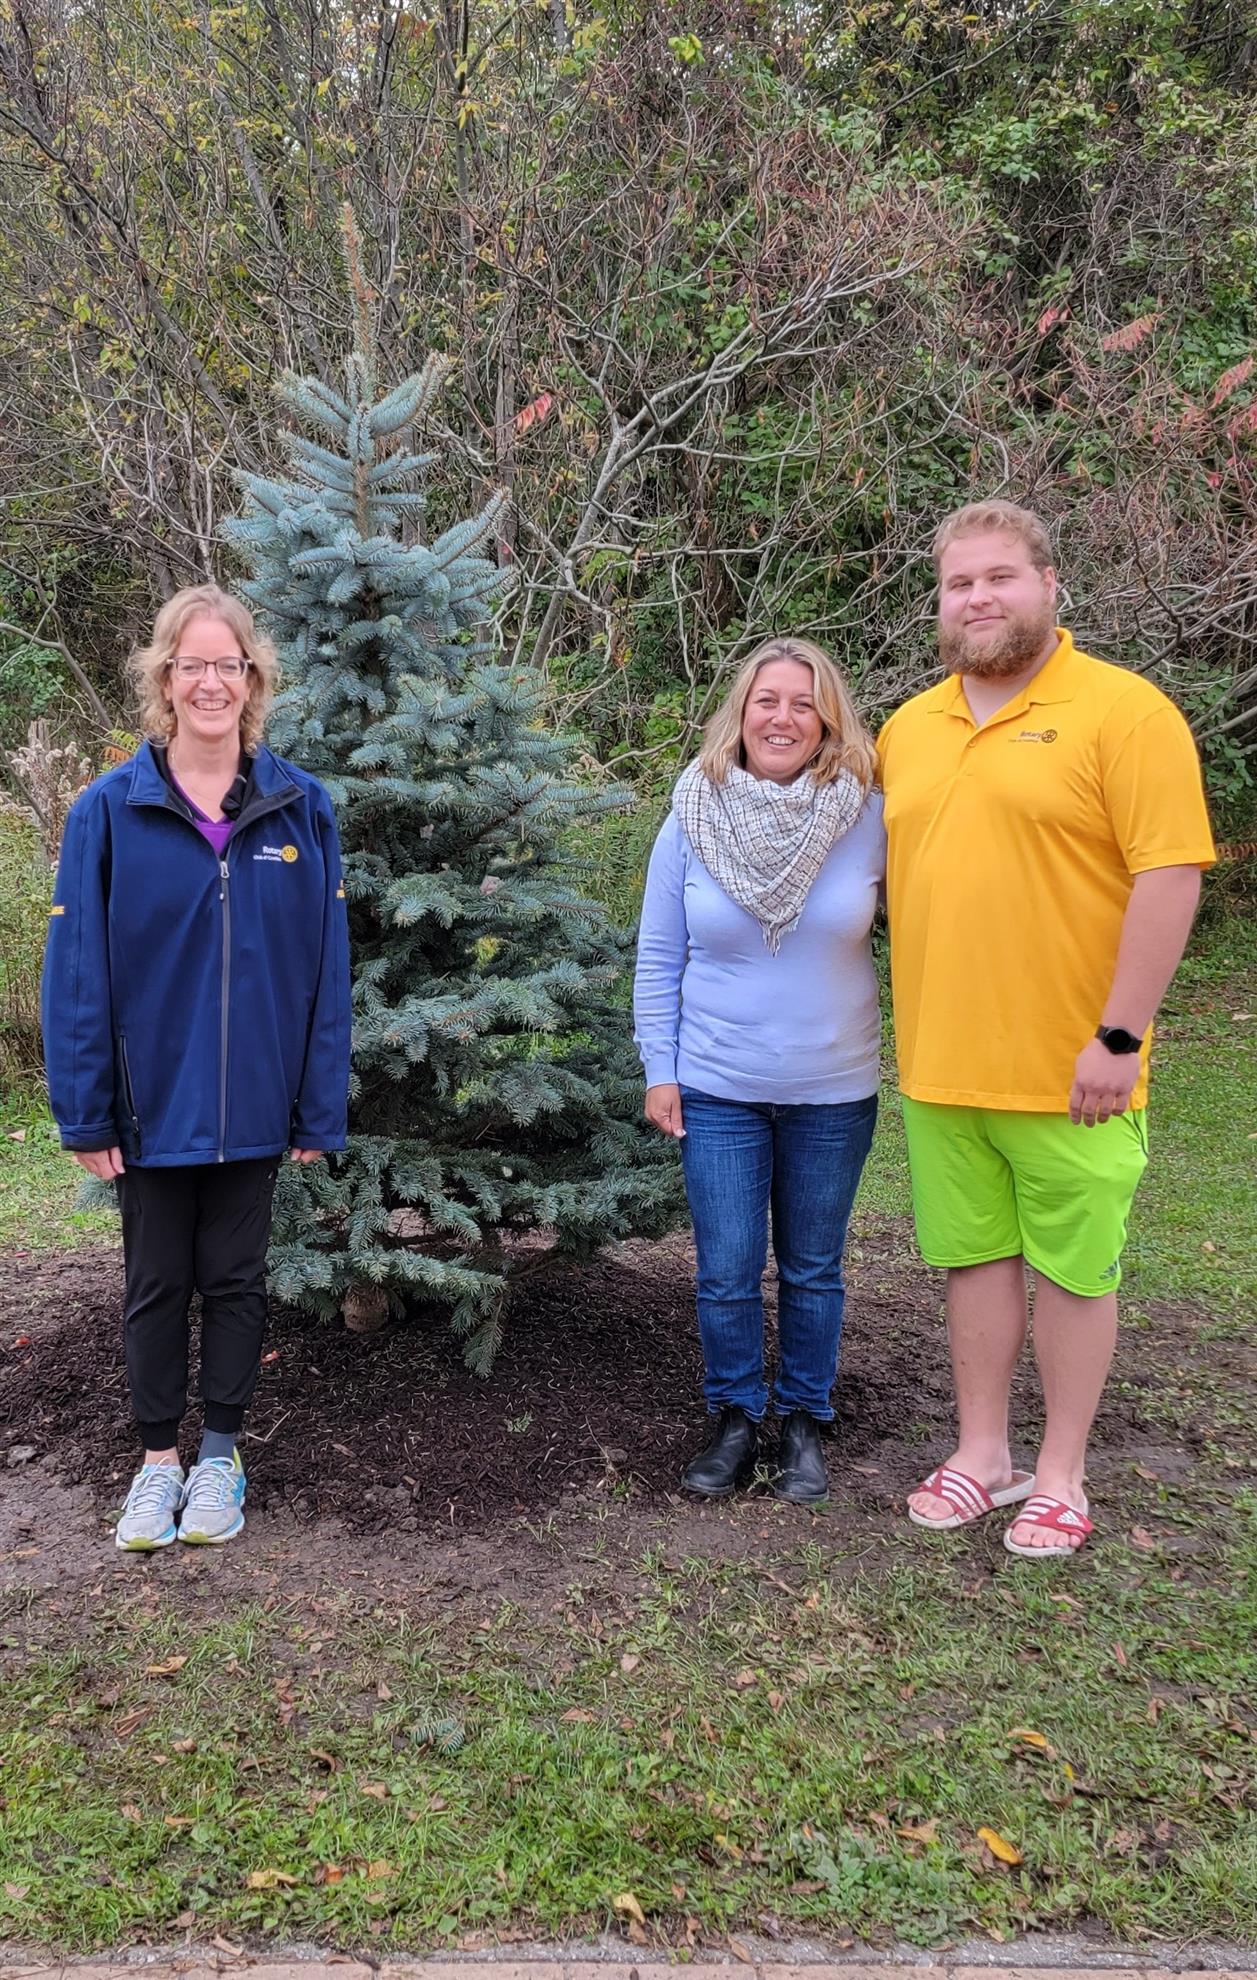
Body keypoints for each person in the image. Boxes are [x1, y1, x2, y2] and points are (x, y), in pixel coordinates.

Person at [878, 499, 1215, 1557]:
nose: (977, 598)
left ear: (1049, 585)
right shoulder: (907, 728)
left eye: (999, 577)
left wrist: (1120, 1037)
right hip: (940, 1063)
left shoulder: (1126, 712)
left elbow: (1169, 874)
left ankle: (1061, 1474)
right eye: (958, 583)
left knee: (1075, 1271)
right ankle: (982, 1454)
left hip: (1076, 1068)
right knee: (974, 1261)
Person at [41, 584, 351, 1551]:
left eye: (228, 664)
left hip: (256, 1103)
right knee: (155, 1285)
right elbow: (78, 971)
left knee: (236, 1281)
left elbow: (325, 969)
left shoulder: (300, 809)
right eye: (191, 665)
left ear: (252, 679)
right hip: (150, 1106)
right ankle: (155, 1465)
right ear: (164, 679)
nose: (210, 682)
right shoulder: (109, 810)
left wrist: (317, 1106)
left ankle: (219, 1458)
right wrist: (86, 1111)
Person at [633, 637, 884, 1503]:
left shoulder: (869, 817)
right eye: (766, 701)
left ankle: (803, 1419)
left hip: (833, 1089)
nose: (783, 718)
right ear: (739, 715)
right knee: (726, 1269)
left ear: (828, 720)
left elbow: (932, 928)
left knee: (813, 1268)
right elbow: (658, 955)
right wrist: (659, 1068)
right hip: (717, 1086)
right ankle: (736, 1416)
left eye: (802, 703)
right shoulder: (691, 813)